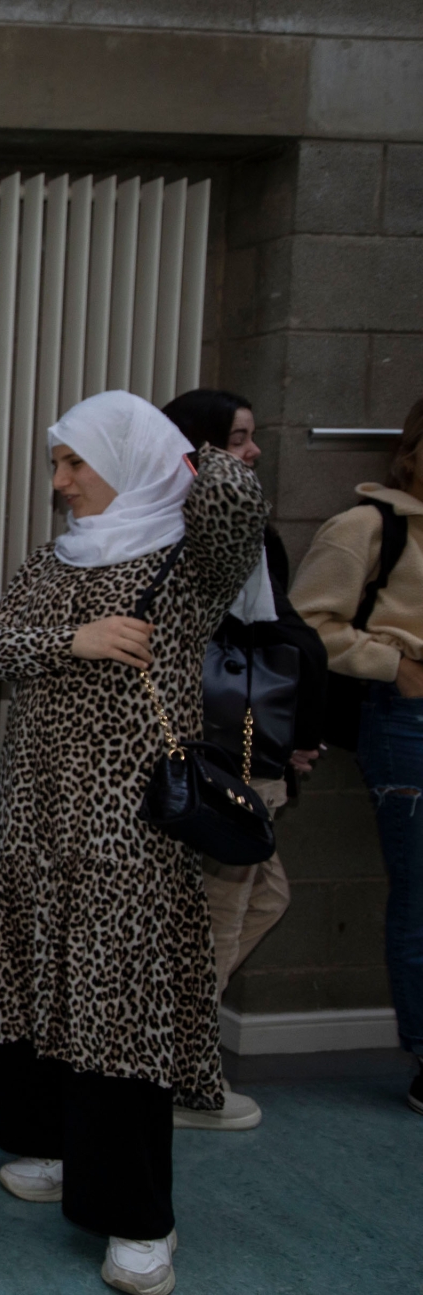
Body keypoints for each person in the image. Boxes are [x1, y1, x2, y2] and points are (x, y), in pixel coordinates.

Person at [0, 390, 266, 1295]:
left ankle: (138, 1220)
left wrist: (200, 448)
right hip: (32, 816)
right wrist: (75, 637)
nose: (59, 484)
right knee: (35, 977)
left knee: (116, 1006)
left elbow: (237, 507)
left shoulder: (187, 557)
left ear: (129, 462)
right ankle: (46, 1145)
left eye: (74, 464)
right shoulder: (55, 561)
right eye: (56, 465)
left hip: (126, 828)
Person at [160, 388, 328, 1132]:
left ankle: (169, 1046)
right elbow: (257, 642)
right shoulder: (197, 530)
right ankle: (184, 1074)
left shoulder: (234, 529)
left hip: (254, 741)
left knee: (262, 897)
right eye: (238, 438)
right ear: (198, 448)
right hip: (232, 747)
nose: (253, 452)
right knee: (220, 914)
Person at [289, 394, 423, 1119]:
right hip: (410, 720)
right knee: (422, 894)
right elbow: (309, 621)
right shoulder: (371, 525)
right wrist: (394, 666)